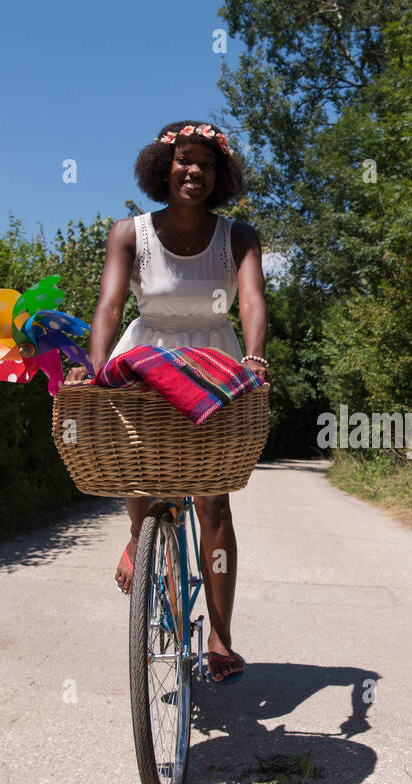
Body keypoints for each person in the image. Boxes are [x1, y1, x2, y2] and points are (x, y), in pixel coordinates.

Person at [64, 121, 269, 683]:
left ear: (219, 174)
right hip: (145, 357)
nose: (193, 170)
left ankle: (221, 637)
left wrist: (255, 356)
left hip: (214, 363)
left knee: (213, 503)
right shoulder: (129, 232)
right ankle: (145, 547)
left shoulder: (238, 236)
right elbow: (108, 305)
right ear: (163, 165)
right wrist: (93, 366)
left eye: (206, 162)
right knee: (143, 479)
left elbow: (251, 301)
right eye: (183, 159)